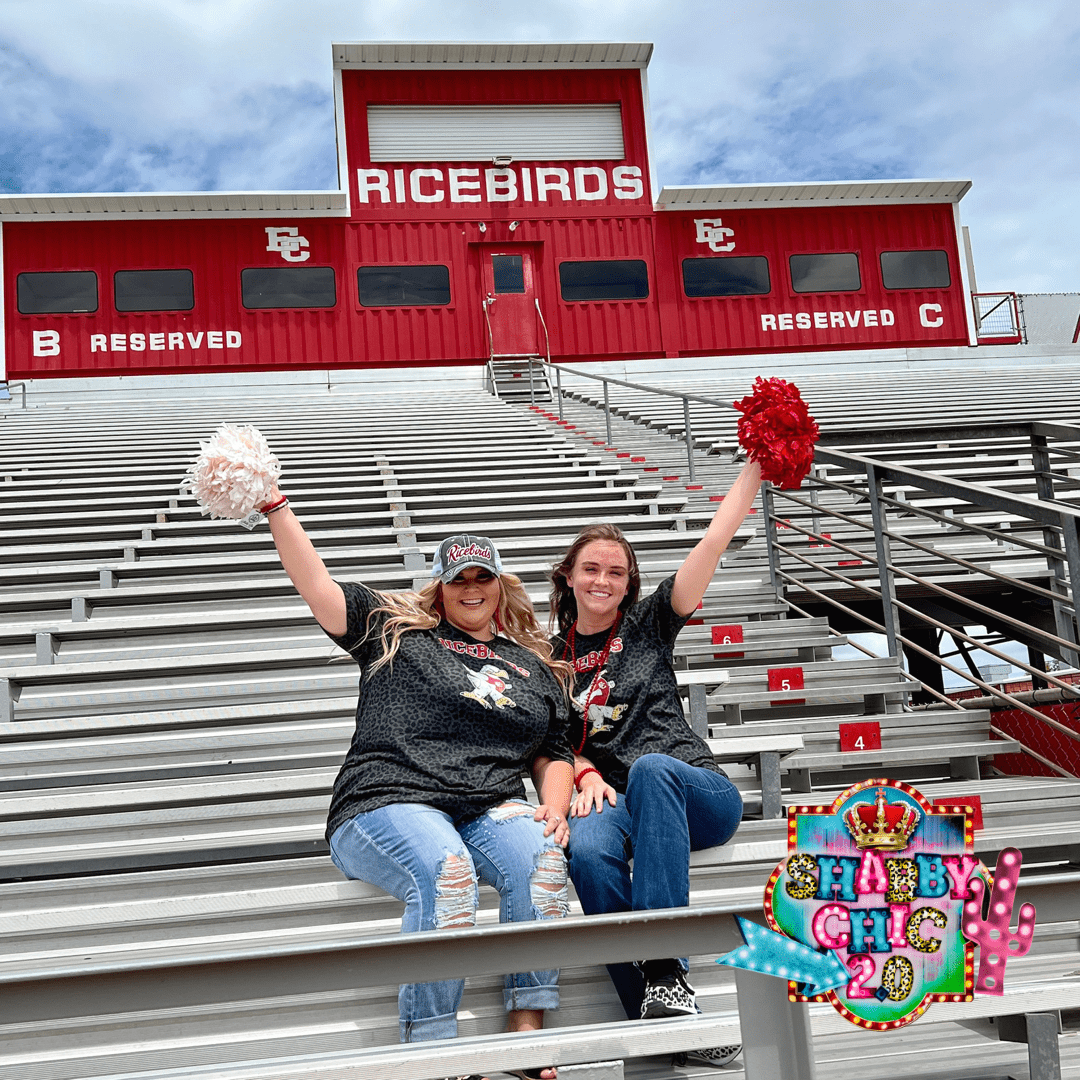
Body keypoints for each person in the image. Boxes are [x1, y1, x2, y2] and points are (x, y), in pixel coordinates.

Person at [264, 488, 573, 1080]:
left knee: (543, 859)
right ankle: (436, 1055)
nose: (472, 587)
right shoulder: (396, 633)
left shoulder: (531, 666)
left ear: (501, 585)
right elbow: (318, 587)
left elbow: (552, 752)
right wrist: (278, 508)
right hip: (390, 798)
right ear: (440, 586)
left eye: (483, 576)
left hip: (485, 805)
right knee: (447, 869)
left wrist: (554, 807)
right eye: (459, 579)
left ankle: (526, 1036)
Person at [550, 461, 762, 1066]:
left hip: (695, 791)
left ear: (629, 584)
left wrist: (751, 473)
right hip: (617, 802)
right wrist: (584, 769)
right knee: (586, 851)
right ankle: (663, 1019)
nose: (603, 580)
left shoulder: (648, 624)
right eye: (591, 568)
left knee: (651, 768)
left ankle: (667, 966)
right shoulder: (546, 658)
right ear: (567, 578)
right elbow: (541, 738)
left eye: (616, 572)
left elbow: (712, 542)